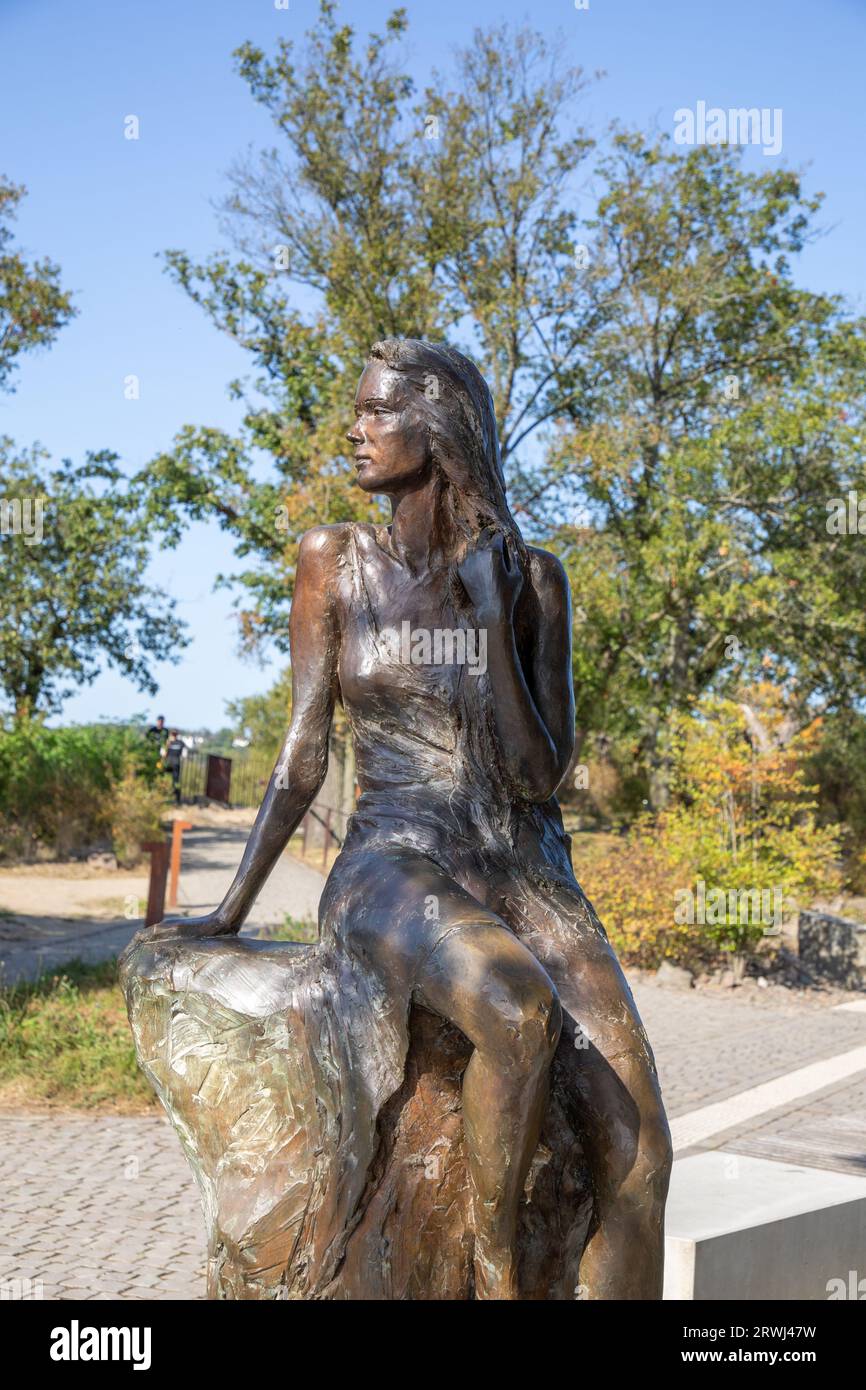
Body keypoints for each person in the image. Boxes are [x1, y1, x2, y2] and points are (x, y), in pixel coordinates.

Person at [147, 338, 671, 1299]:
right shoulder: (332, 562)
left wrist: (488, 617)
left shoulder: (533, 579)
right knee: (514, 1008)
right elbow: (305, 751)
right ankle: (499, 1266)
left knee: (641, 1164)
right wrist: (229, 911)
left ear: (439, 428)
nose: (353, 428)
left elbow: (537, 774)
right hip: (392, 858)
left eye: (375, 411)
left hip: (522, 866)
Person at [163, 729, 185, 805]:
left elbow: (183, 753)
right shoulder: (168, 742)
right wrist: (167, 745)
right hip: (168, 764)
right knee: (165, 781)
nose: (173, 735)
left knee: (176, 782)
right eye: (172, 734)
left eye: (175, 734)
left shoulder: (180, 743)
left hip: (176, 764)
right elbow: (164, 754)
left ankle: (177, 800)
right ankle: (165, 798)